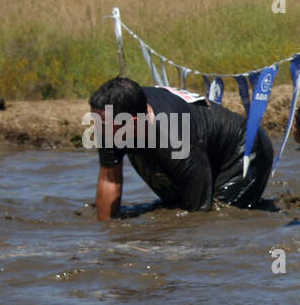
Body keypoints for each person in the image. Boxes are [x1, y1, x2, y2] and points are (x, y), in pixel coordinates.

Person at [88, 77, 272, 220]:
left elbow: (199, 212)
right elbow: (110, 179)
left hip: (244, 149)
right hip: (197, 144)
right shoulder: (110, 122)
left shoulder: (175, 138)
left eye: (102, 124)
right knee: (174, 204)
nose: (96, 129)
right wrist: (108, 240)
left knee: (221, 215)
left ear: (132, 122)